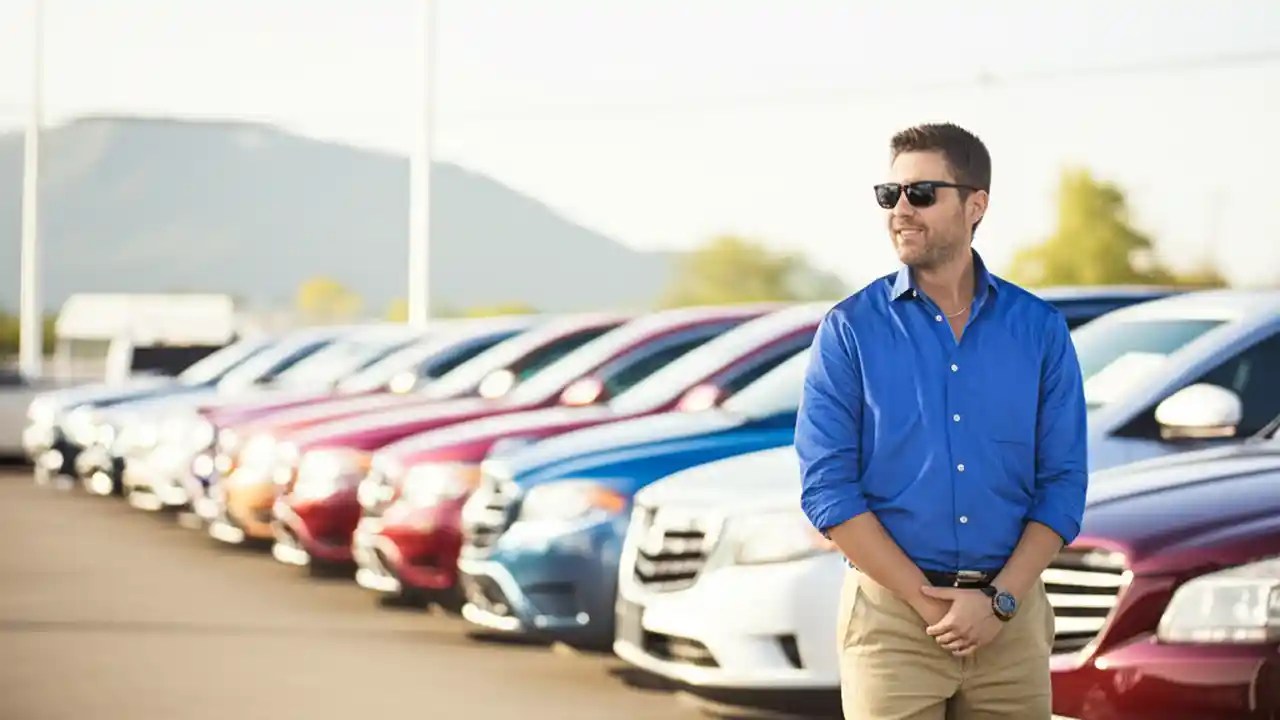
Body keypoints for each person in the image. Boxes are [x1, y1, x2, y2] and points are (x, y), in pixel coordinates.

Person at [796, 122, 1087, 719]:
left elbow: (1062, 485)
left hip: (1012, 621)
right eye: (890, 194)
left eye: (921, 193)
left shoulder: (1039, 332)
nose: (901, 210)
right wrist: (933, 607)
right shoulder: (850, 331)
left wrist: (1000, 600)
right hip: (893, 623)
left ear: (975, 204)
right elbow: (827, 492)